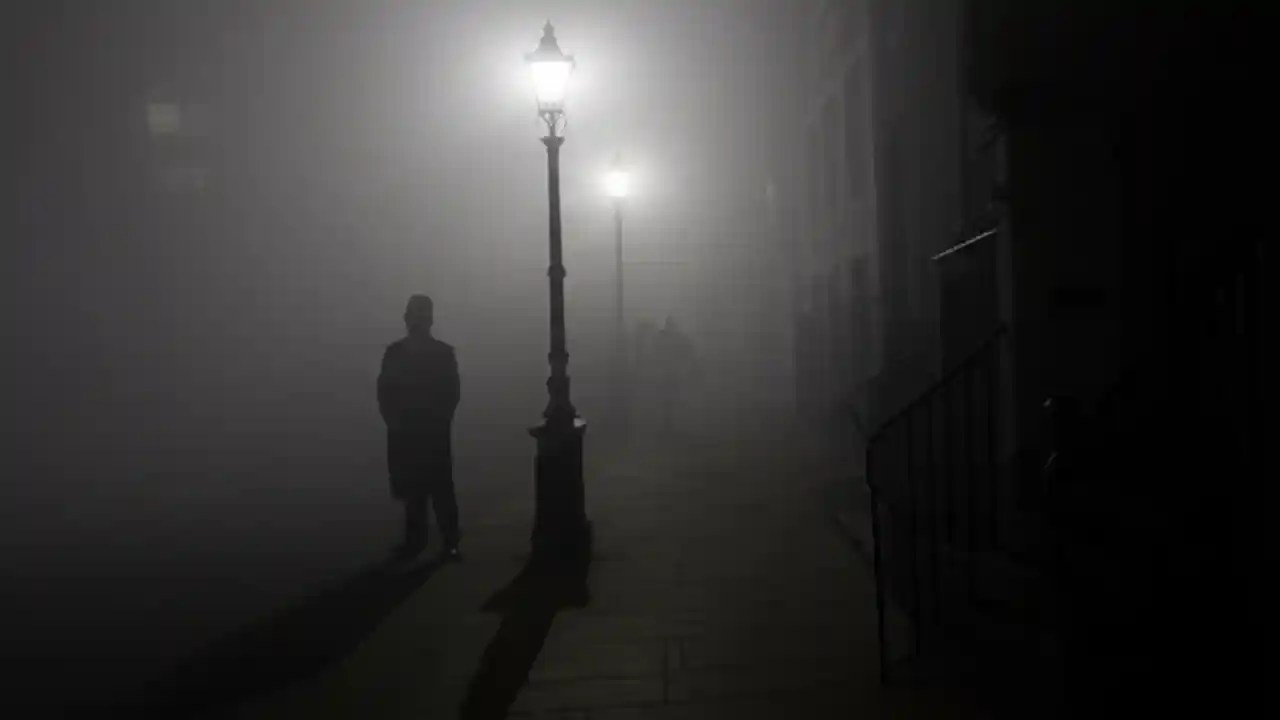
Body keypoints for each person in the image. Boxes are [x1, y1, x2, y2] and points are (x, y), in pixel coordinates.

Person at [377, 294, 461, 563]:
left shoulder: (396, 353)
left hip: (413, 428)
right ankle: (443, 541)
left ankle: (424, 541)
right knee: (433, 487)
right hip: (425, 428)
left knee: (422, 487)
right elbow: (452, 393)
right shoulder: (442, 353)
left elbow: (385, 392)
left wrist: (395, 420)